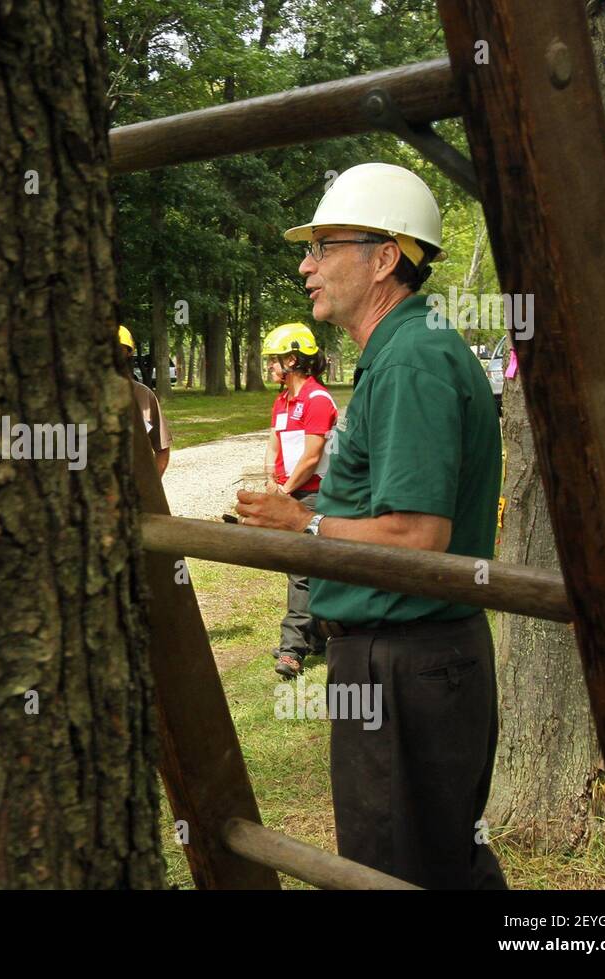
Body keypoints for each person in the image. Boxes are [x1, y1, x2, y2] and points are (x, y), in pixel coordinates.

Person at [233, 162, 506, 889]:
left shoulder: (413, 357)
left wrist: (305, 521)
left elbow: (418, 538)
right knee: (442, 866)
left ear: (385, 257)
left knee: (393, 870)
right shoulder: (402, 350)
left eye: (323, 246)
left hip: (405, 664)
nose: (305, 264)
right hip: (409, 659)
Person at [262, 322, 337, 679]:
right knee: (312, 568)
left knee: (301, 572)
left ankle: (292, 650)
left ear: (292, 360)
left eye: (274, 360)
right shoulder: (282, 400)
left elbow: (311, 456)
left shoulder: (317, 399)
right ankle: (320, 636)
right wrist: (270, 477)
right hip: (290, 491)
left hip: (312, 496)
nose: (270, 366)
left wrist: (286, 489)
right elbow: (275, 442)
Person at [120, 325, 172, 477]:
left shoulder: (143, 397)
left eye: (119, 352)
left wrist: (151, 489)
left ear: (129, 355)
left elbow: (162, 449)